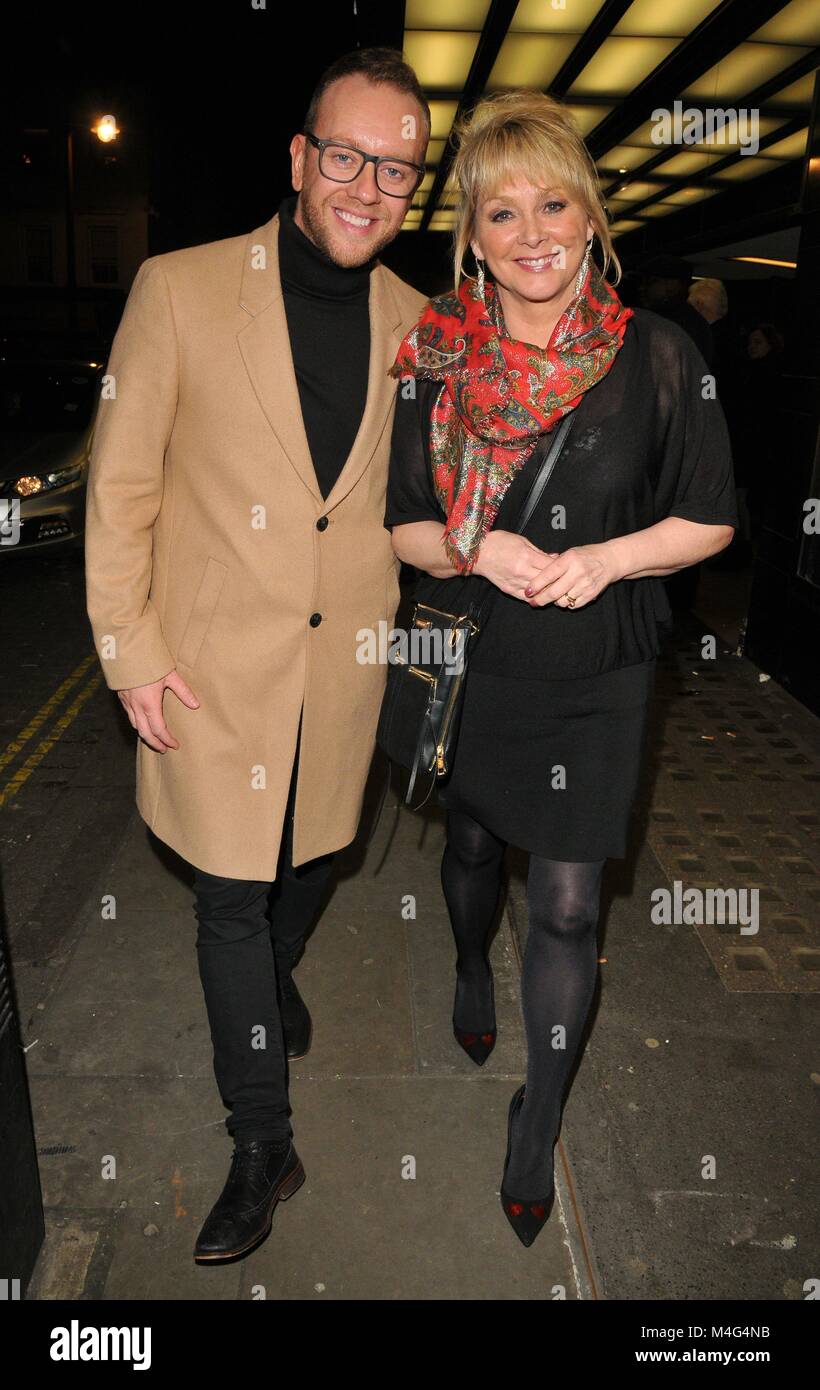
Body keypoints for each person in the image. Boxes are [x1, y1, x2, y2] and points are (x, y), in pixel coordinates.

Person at [84, 47, 429, 1263]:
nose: (366, 185)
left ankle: (275, 982)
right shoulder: (177, 289)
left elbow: (415, 508)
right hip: (211, 674)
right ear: (299, 158)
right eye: (345, 155)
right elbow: (120, 488)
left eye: (397, 169)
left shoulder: (419, 327)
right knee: (232, 905)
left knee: (309, 869)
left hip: (344, 683)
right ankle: (259, 1141)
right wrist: (129, 650)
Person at [384, 91, 738, 1248]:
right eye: (501, 212)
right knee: (478, 846)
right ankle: (465, 967)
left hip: (600, 662)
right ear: (471, 236)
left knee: (572, 900)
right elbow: (403, 527)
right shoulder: (434, 355)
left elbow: (709, 519)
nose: (531, 232)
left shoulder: (659, 356)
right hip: (480, 652)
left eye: (552, 204)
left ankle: (535, 1121)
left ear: (590, 218)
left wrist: (607, 558)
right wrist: (487, 543)